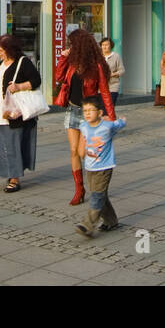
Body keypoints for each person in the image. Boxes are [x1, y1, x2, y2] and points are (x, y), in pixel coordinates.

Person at [54, 29, 115, 205]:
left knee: (82, 152)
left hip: (88, 113)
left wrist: (111, 116)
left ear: (80, 45)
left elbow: (104, 91)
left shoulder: (96, 66)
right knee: (73, 151)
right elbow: (59, 78)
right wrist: (63, 58)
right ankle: (79, 189)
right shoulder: (71, 63)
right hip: (72, 110)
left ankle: (97, 183)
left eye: (72, 44)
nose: (69, 46)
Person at [0, 34, 41, 193]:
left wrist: (19, 86)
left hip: (14, 112)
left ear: (10, 49)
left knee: (13, 145)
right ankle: (9, 172)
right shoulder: (1, 64)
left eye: (1, 50)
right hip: (0, 111)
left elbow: (36, 80)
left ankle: (14, 178)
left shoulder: (23, 62)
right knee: (1, 145)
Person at [73, 95, 126, 239]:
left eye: (91, 110)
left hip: (105, 167)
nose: (88, 113)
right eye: (85, 111)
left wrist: (122, 120)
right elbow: (83, 142)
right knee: (101, 195)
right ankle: (111, 221)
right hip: (90, 167)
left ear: (100, 112)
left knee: (96, 196)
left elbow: (119, 124)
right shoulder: (83, 126)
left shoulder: (107, 126)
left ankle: (88, 225)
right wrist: (81, 153)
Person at [100, 37, 124, 107]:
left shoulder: (116, 56)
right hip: (100, 87)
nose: (105, 47)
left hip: (113, 86)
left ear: (111, 46)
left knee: (110, 107)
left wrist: (114, 74)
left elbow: (122, 70)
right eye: (103, 45)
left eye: (107, 45)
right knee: (102, 109)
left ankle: (110, 118)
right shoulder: (98, 57)